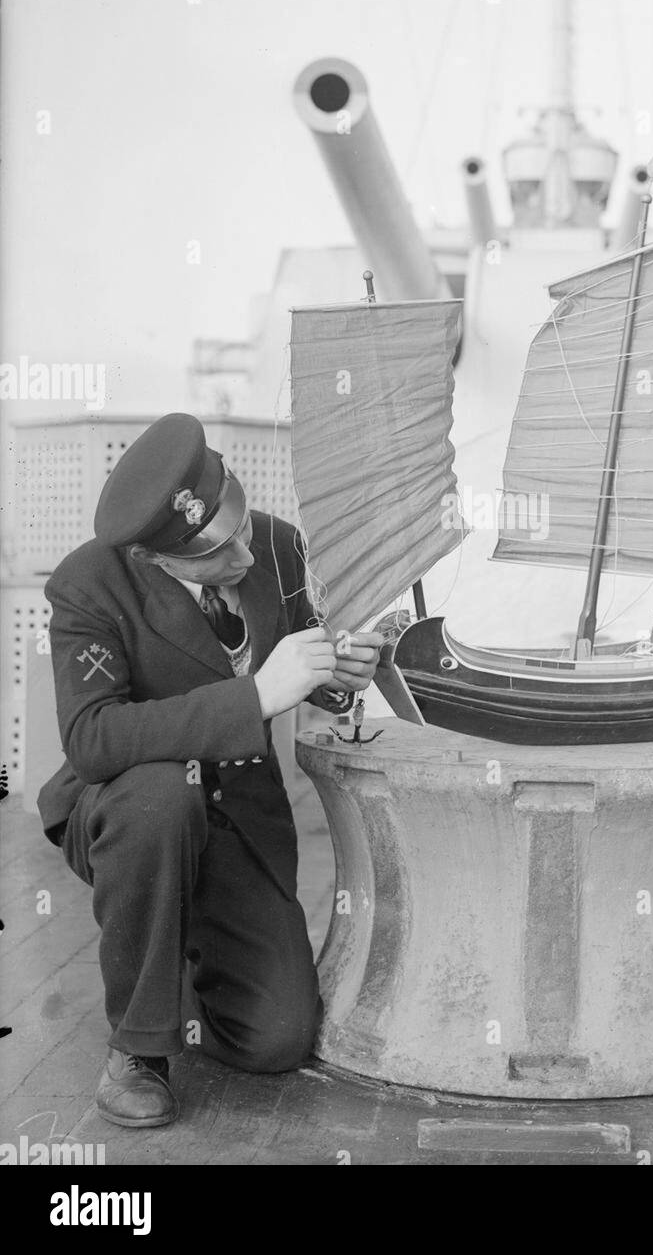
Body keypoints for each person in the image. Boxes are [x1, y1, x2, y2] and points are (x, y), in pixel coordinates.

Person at [38, 413, 384, 1126]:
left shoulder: (279, 545)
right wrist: (256, 695)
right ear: (152, 558)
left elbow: (306, 669)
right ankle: (138, 1047)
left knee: (277, 1040)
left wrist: (339, 676)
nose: (245, 560)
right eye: (216, 556)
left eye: (243, 532)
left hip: (236, 814)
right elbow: (92, 739)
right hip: (127, 813)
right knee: (160, 797)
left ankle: (176, 954)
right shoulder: (88, 585)